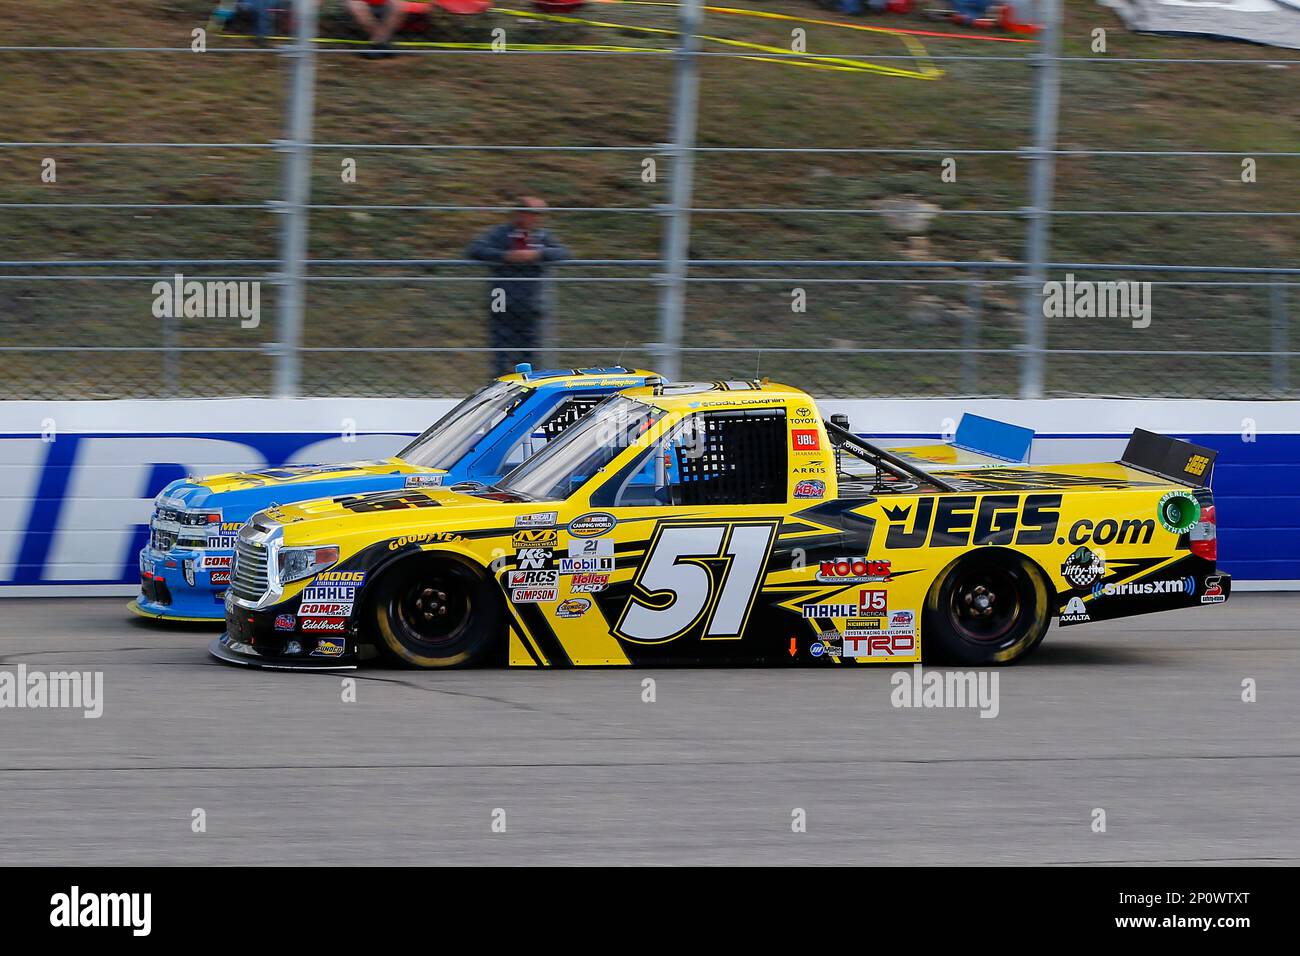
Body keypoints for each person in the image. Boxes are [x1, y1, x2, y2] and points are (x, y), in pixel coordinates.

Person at [466, 197, 570, 377]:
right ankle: (499, 382)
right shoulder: (501, 234)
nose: (538, 219)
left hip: (530, 301)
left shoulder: (541, 237)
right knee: (500, 346)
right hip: (501, 296)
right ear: (521, 214)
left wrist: (537, 254)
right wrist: (506, 256)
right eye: (534, 214)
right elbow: (475, 250)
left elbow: (563, 252)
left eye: (540, 215)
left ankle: (527, 384)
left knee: (529, 348)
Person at [344, 0, 410, 57]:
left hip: (384, 3)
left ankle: (378, 44)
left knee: (400, 6)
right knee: (357, 6)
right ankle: (380, 44)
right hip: (359, 3)